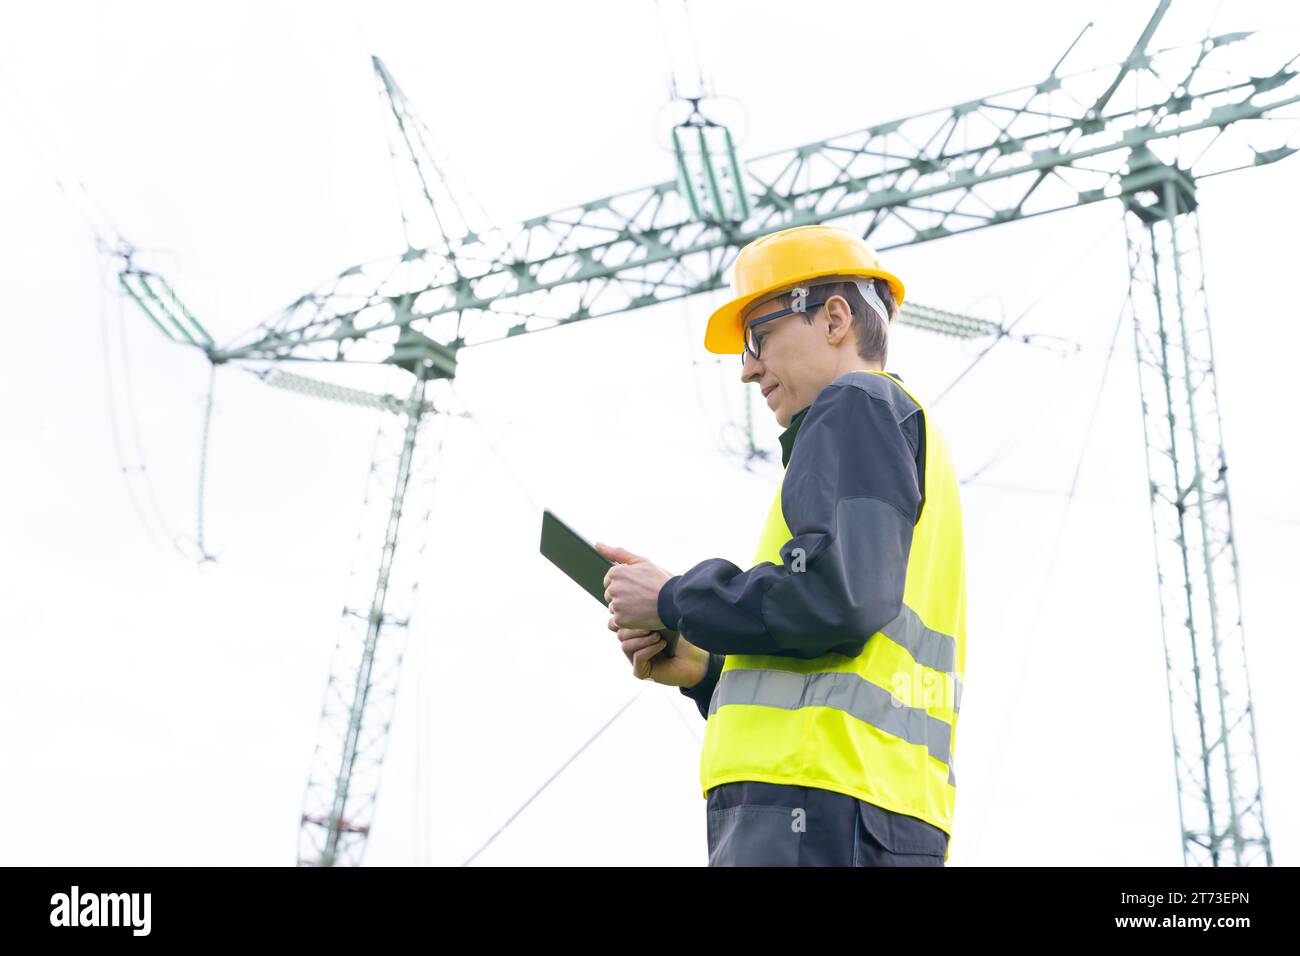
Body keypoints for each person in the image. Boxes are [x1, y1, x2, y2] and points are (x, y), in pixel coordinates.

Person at [597, 223, 967, 867]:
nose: (746, 368)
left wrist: (676, 598)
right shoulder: (902, 430)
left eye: (758, 336)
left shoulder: (856, 405)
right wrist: (709, 674)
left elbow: (837, 598)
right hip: (869, 815)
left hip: (819, 808)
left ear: (833, 319)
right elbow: (847, 658)